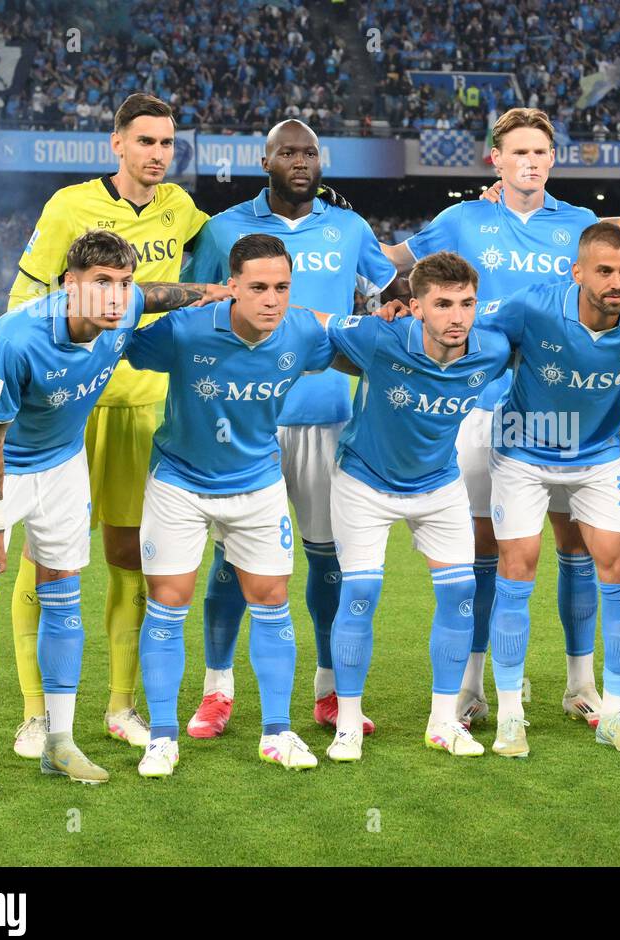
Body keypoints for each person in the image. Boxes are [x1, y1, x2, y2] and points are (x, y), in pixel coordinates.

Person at [4, 93, 225, 756]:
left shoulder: (181, 210)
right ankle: (36, 714)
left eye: (167, 144)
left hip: (144, 408)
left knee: (132, 559)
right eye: (147, 142)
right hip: (69, 409)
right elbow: (24, 301)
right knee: (46, 560)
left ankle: (120, 706)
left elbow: (235, 241)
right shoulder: (68, 207)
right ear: (117, 144)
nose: (159, 154)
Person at [382, 108, 604, 730]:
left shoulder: (581, 226)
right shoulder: (463, 219)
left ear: (552, 159)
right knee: (485, 546)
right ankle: (472, 688)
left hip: (556, 407)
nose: (531, 162)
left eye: (541, 152)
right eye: (518, 152)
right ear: (496, 160)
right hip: (478, 408)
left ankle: (580, 685)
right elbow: (395, 258)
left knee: (574, 543)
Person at [180, 118, 399, 740]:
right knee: (231, 562)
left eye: (309, 152)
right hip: (243, 418)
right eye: (288, 153)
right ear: (266, 159)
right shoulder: (224, 229)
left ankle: (328, 691)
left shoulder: (350, 228)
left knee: (326, 559)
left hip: (328, 418)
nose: (300, 162)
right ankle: (216, 690)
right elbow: (200, 304)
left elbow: (391, 296)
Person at [0, 231, 152, 799]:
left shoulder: (126, 306)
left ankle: (59, 744)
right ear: (70, 286)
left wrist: (209, 291)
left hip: (63, 464)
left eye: (123, 282)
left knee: (63, 594)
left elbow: (158, 293)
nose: (116, 297)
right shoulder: (18, 337)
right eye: (101, 283)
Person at [123, 235, 336, 777]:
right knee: (168, 603)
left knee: (272, 601)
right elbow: (116, 329)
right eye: (258, 287)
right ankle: (163, 738)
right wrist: (179, 295)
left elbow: (360, 344)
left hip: (257, 482)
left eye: (282, 288)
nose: (272, 299)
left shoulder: (304, 331)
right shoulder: (187, 329)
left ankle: (277, 732)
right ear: (232, 286)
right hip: (180, 482)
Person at [476, 222, 620, 757]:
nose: (617, 282)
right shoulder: (535, 308)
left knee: (618, 565)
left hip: (595, 454)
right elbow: (474, 332)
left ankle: (610, 710)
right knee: (518, 563)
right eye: (605, 271)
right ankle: (511, 715)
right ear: (578, 271)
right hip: (523, 449)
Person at [321, 252, 512, 762]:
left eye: (467, 304)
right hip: (365, 481)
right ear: (416, 306)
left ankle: (443, 721)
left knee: (460, 596)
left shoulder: (491, 349)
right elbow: (314, 321)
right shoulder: (382, 337)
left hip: (438, 486)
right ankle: (347, 722)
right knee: (359, 593)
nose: (457, 317)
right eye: (443, 304)